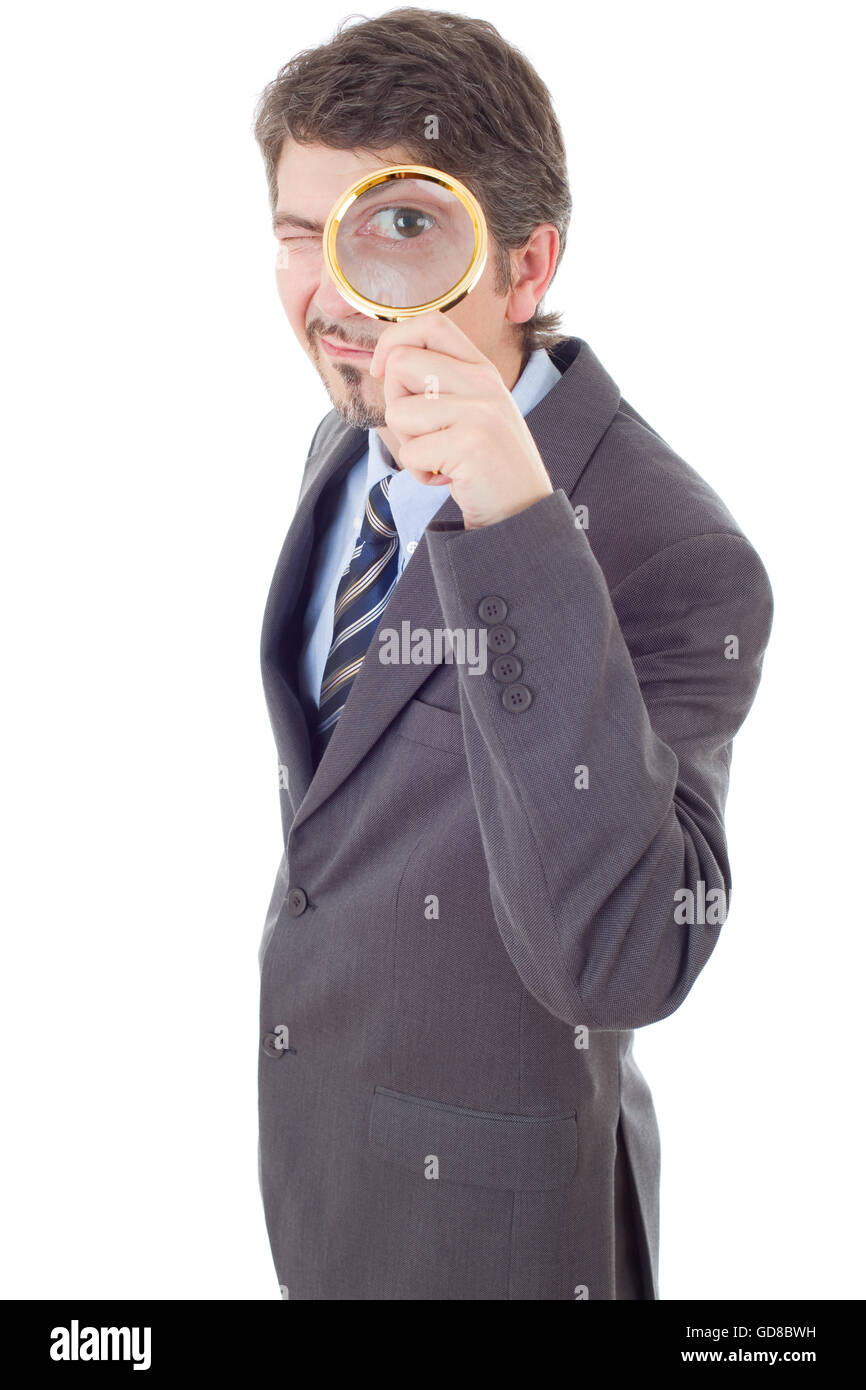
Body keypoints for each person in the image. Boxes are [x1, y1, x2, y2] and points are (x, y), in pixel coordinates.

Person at [252, 7, 773, 1300]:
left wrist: (517, 532)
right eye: (299, 237)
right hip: (324, 1191)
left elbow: (626, 954)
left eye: (399, 228)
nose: (334, 295)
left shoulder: (677, 552)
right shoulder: (346, 441)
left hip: (500, 1248)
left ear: (524, 264)